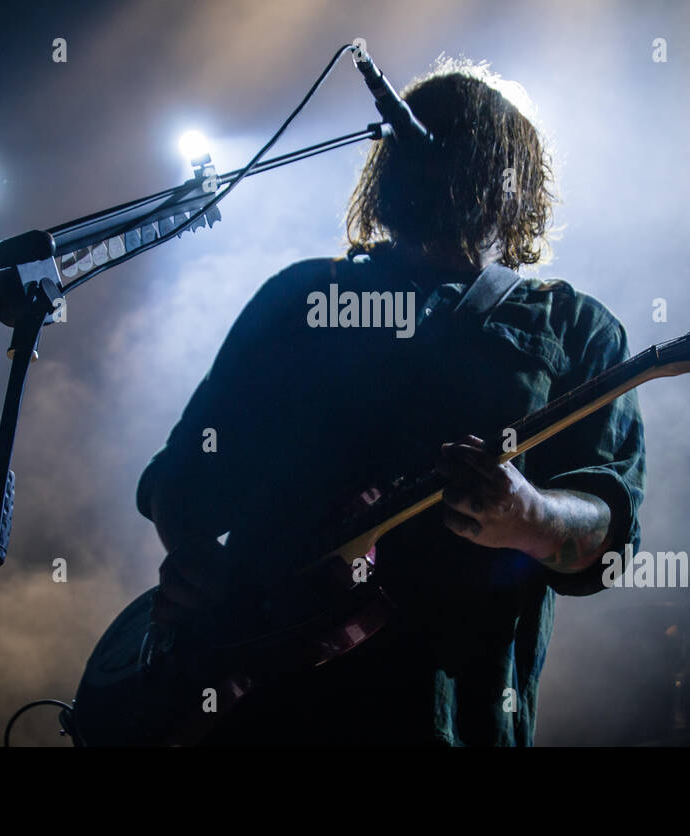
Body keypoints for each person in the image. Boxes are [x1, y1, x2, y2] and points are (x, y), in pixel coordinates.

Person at [136, 57, 646, 745]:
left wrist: (530, 514)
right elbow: (186, 478)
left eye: (468, 142)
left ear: (515, 179)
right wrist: (193, 559)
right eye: (420, 139)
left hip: (445, 714)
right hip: (257, 706)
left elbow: (606, 535)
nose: (438, 157)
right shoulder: (304, 298)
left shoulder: (574, 328)